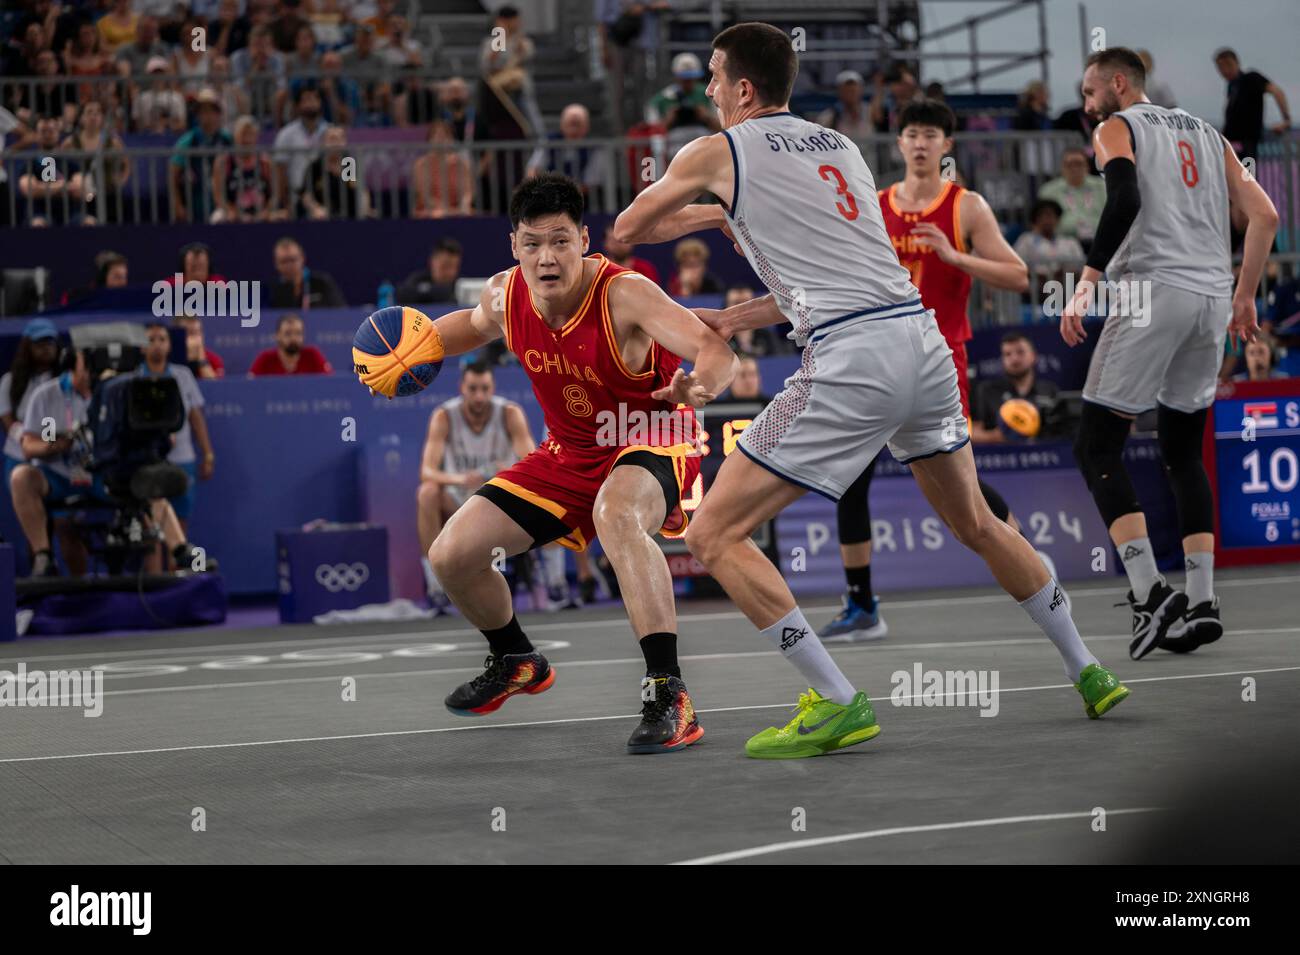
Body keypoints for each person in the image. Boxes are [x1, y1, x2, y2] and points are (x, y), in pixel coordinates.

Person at [612, 22, 1128, 759]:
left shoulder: (713, 151)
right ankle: (1089, 668)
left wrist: (705, 198)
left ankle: (835, 698)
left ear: (744, 89)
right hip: (920, 345)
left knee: (710, 533)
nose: (708, 88)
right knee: (978, 521)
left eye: (716, 76)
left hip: (851, 360)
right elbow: (837, 271)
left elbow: (633, 226)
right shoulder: (842, 148)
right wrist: (734, 303)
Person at [356, 172, 737, 753]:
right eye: (532, 243)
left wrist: (701, 388)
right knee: (451, 555)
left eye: (560, 240)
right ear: (515, 246)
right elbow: (470, 327)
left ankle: (670, 694)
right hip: (568, 452)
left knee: (616, 514)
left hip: (653, 436)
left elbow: (716, 349)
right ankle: (513, 657)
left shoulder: (624, 294)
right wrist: (412, 350)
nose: (546, 257)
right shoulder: (504, 295)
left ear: (584, 239)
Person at [1062, 47, 1278, 658]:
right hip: (1211, 299)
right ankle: (1203, 599)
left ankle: (1152, 593)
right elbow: (1265, 215)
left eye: (1089, 92)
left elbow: (1124, 200)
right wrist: (1245, 296)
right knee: (1183, 452)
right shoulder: (1210, 133)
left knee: (1097, 445)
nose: (1085, 105)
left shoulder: (1117, 127)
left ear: (1119, 84)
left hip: (1152, 291)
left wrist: (1086, 280)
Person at [826, 98, 1052, 642]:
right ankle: (862, 605)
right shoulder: (874, 205)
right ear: (899, 143)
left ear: (946, 144)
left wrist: (955, 257)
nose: (921, 143)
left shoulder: (965, 206)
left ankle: (1028, 563)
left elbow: (1018, 276)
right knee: (849, 478)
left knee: (960, 495)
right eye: (911, 133)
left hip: (940, 362)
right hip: (875, 358)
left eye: (931, 134)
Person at [417, 361, 534, 610]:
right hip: (459, 496)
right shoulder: (444, 416)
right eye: (473, 389)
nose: (479, 395)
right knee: (426, 493)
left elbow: (534, 463)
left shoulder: (510, 413)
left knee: (553, 494)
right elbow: (427, 471)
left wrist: (509, 471)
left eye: (485, 388)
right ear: (462, 388)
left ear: (493, 388)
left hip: (500, 500)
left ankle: (557, 584)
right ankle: (435, 586)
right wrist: (460, 479)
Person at [140, 323, 215, 532]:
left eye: (162, 339)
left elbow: (195, 417)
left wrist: (208, 453)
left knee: (180, 524)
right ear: (142, 347)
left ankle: (178, 565)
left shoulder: (183, 375)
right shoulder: (134, 378)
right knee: (152, 528)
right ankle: (156, 567)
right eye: (151, 340)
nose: (156, 345)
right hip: (148, 461)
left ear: (170, 345)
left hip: (183, 459)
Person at [971, 332, 1064, 443]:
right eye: (1007, 354)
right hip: (1001, 456)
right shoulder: (987, 390)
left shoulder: (1050, 390)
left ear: (1033, 356)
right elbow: (971, 433)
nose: (1014, 359)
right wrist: (996, 437)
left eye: (1020, 352)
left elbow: (1063, 433)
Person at [1, 318, 59, 489]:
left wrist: (48, 444)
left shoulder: (62, 382)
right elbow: (7, 421)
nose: (46, 348)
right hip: (19, 458)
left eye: (50, 343)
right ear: (28, 347)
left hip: (54, 460)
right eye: (39, 344)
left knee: (61, 512)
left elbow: (54, 417)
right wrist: (29, 442)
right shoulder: (9, 381)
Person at [1213, 48, 1291, 159]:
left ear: (1237, 62)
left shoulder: (1251, 78)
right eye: (1221, 67)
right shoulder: (1232, 87)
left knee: (1247, 174)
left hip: (1248, 142)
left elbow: (1277, 92)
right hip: (1231, 144)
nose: (1225, 70)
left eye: (1228, 65)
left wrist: (1286, 120)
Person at [170, 90, 234, 223]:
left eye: (212, 111)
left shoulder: (227, 139)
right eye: (204, 112)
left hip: (222, 207)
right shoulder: (188, 141)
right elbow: (173, 175)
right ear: (197, 115)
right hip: (194, 204)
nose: (208, 116)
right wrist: (178, 205)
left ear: (218, 114)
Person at [211, 113, 281, 223]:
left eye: (250, 135)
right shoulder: (223, 161)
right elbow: (218, 196)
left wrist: (265, 213)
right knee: (218, 218)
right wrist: (235, 213)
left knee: (281, 216)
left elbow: (275, 195)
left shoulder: (265, 162)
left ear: (256, 137)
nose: (246, 139)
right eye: (243, 134)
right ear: (235, 136)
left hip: (262, 213)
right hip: (231, 212)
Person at [1037, 147, 1107, 246]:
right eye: (1069, 165)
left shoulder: (1102, 186)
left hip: (1099, 241)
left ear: (1087, 167)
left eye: (1079, 164)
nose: (1074, 168)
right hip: (1063, 243)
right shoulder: (1049, 190)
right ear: (1062, 168)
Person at [410, 120, 473, 219]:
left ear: (452, 139)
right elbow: (424, 196)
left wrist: (463, 207)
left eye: (445, 135)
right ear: (429, 140)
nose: (441, 139)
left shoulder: (462, 164)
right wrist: (444, 210)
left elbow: (467, 193)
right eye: (437, 135)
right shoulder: (421, 164)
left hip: (457, 211)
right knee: (437, 215)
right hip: (430, 211)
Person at [268, 236, 345, 308]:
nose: (289, 265)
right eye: (284, 261)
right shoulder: (272, 291)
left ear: (302, 258)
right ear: (276, 263)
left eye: (293, 259)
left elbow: (341, 312)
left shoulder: (321, 282)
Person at [250, 312, 334, 375]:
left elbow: (330, 383)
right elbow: (248, 386)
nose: (293, 338)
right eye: (288, 333)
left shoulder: (313, 354)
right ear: (277, 336)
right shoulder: (265, 359)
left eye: (298, 333)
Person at [396, 238, 461, 305]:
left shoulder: (461, 286)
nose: (451, 272)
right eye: (445, 266)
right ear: (432, 262)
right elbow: (402, 293)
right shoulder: (418, 279)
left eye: (455, 267)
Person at [817, 70, 873, 141]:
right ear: (839, 91)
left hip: (868, 151)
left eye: (854, 90)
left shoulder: (871, 112)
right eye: (847, 90)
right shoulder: (829, 116)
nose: (851, 94)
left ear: (861, 90)